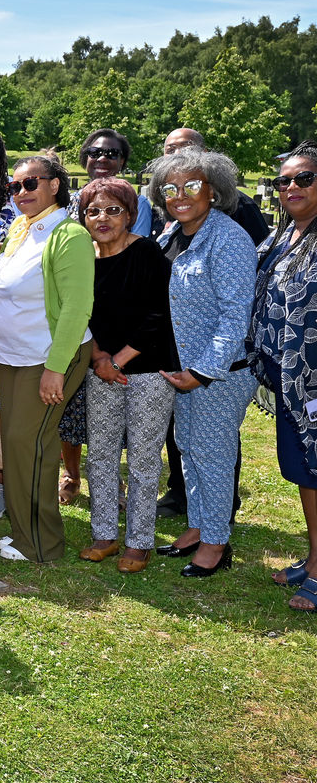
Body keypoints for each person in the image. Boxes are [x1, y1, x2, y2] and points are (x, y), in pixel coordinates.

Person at [149, 148, 257, 577]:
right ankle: (198, 526)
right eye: (171, 188)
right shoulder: (171, 234)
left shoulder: (228, 239)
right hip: (182, 371)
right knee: (188, 448)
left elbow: (236, 316)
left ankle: (216, 542)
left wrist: (201, 372)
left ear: (213, 190)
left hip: (218, 374)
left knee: (212, 454)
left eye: (192, 186)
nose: (181, 195)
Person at [0, 154, 94, 562]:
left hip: (48, 357)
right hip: (12, 357)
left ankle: (40, 544)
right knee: (23, 445)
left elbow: (76, 307)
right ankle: (25, 531)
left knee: (25, 443)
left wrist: (55, 368)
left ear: (54, 185)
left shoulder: (69, 235)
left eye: (31, 184)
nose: (21, 192)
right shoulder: (19, 228)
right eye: (14, 186)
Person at [74, 177, 176, 573]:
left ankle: (139, 541)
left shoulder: (147, 253)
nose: (102, 218)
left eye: (113, 210)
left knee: (144, 456)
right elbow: (81, 312)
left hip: (147, 369)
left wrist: (117, 362)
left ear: (131, 215)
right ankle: (104, 535)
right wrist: (99, 356)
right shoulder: (84, 258)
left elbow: (158, 316)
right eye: (93, 210)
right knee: (99, 452)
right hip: (100, 368)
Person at [56, 129, 154, 504]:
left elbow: (124, 256)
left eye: (111, 153)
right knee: (70, 406)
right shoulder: (71, 203)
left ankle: (115, 481)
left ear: (123, 161)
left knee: (116, 413)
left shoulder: (135, 203)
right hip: (78, 316)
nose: (102, 158)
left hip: (121, 323)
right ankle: (71, 473)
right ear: (84, 159)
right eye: (94, 152)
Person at [248, 141, 317, 607]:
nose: (291, 186)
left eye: (304, 178)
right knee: (302, 471)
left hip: (312, 379)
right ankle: (314, 558)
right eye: (283, 180)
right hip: (287, 377)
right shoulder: (284, 233)